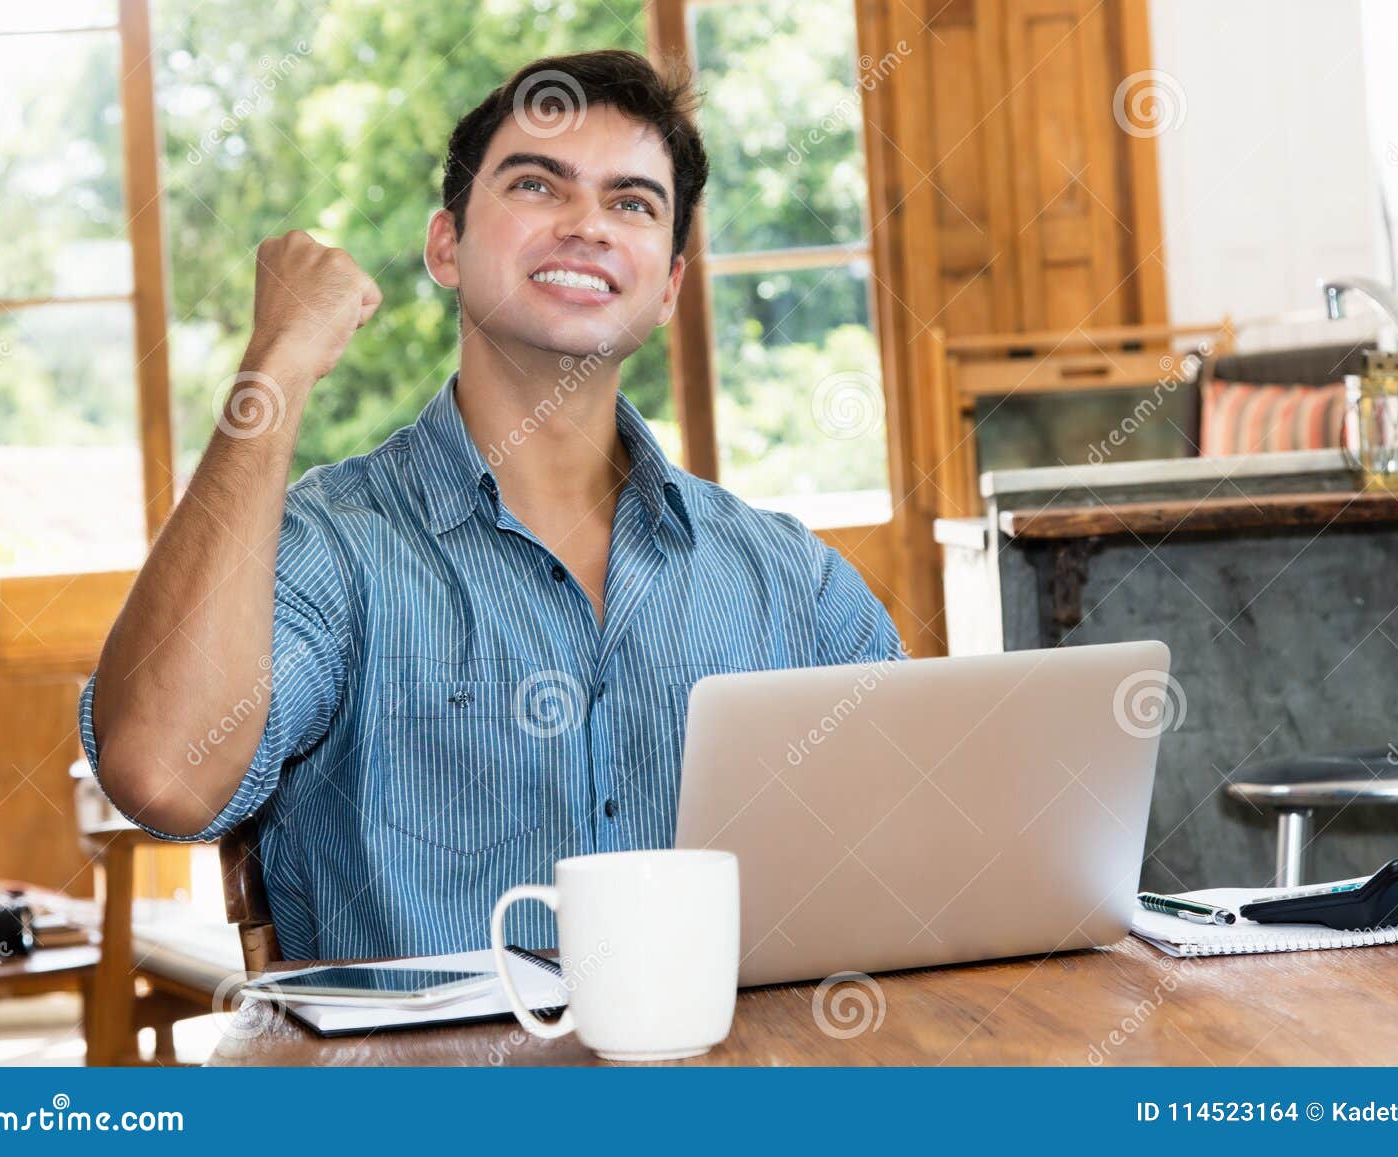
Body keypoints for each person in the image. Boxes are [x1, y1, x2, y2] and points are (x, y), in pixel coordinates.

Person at [82, 50, 903, 959]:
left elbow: (930, 842)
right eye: (538, 185)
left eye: (633, 203)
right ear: (447, 246)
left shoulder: (794, 581)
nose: (589, 223)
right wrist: (275, 365)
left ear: (668, 285)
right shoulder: (328, 551)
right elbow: (163, 775)